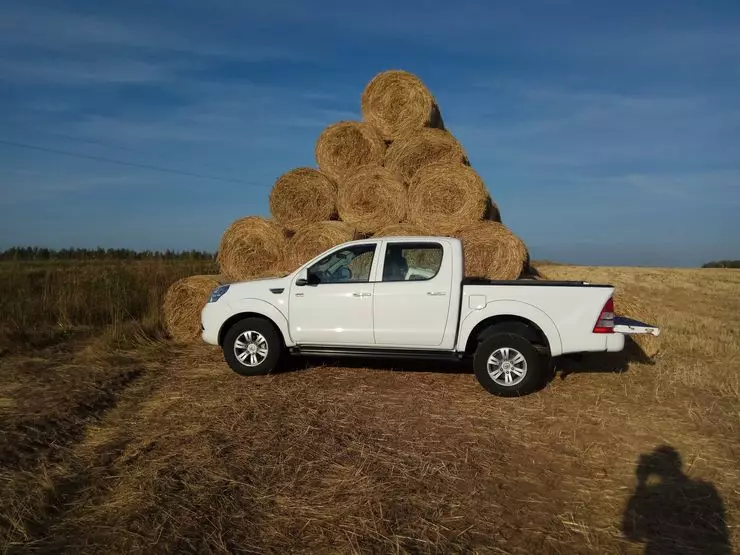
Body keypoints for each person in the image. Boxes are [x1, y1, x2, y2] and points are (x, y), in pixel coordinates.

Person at [622, 445, 730, 554]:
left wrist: (641, 481)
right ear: (678, 464)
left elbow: (632, 533)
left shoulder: (654, 497)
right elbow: (721, 538)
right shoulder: (705, 491)